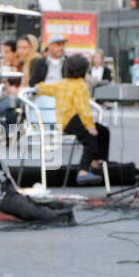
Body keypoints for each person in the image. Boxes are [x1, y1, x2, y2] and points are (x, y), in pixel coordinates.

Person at [32, 53, 108, 185]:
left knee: (103, 131)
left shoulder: (61, 84)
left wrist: (35, 88)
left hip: (64, 122)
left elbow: (42, 87)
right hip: (75, 119)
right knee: (91, 139)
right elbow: (83, 108)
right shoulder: (81, 86)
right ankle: (83, 170)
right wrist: (90, 126)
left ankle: (95, 162)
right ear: (85, 70)